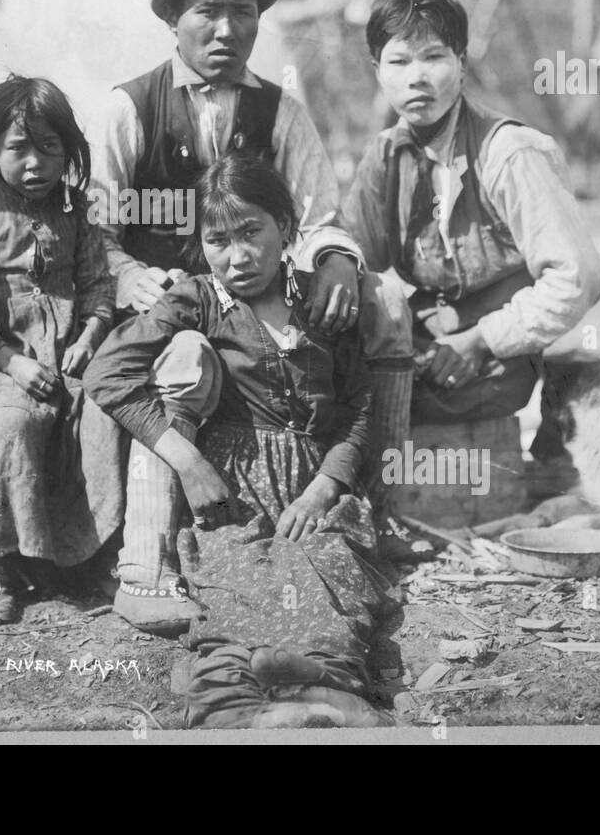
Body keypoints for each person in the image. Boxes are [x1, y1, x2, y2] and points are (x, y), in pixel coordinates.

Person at [90, 0, 413, 628]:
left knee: (384, 300)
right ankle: (144, 563)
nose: (228, 28)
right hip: (167, 306)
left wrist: (332, 258)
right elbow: (95, 229)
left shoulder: (281, 109)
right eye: (208, 10)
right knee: (182, 358)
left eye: (243, 12)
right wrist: (127, 273)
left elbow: (321, 211)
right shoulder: (129, 108)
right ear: (171, 19)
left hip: (257, 297)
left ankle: (376, 505)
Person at [84, 155, 395, 726]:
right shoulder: (196, 300)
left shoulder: (321, 302)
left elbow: (359, 408)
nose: (239, 256)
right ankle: (237, 708)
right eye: (218, 239)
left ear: (287, 229)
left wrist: (324, 489)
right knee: (235, 585)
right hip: (233, 489)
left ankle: (328, 691)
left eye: (253, 232)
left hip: (313, 488)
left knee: (328, 570)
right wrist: (187, 461)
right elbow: (107, 374)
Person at [343, 0, 600, 429]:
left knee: (378, 411)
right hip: (422, 340)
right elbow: (352, 254)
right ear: (378, 72)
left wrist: (481, 340)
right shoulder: (385, 155)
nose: (417, 77)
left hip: (504, 352)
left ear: (462, 65)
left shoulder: (509, 152)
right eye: (400, 61)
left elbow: (577, 279)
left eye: (434, 57)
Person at [0, 77, 118, 624]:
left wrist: (89, 335)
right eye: (18, 148)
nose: (35, 163)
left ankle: (86, 555)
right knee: (13, 426)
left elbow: (97, 287)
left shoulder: (80, 211)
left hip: (69, 358)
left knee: (101, 415)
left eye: (49, 147)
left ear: (69, 151)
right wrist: (11, 360)